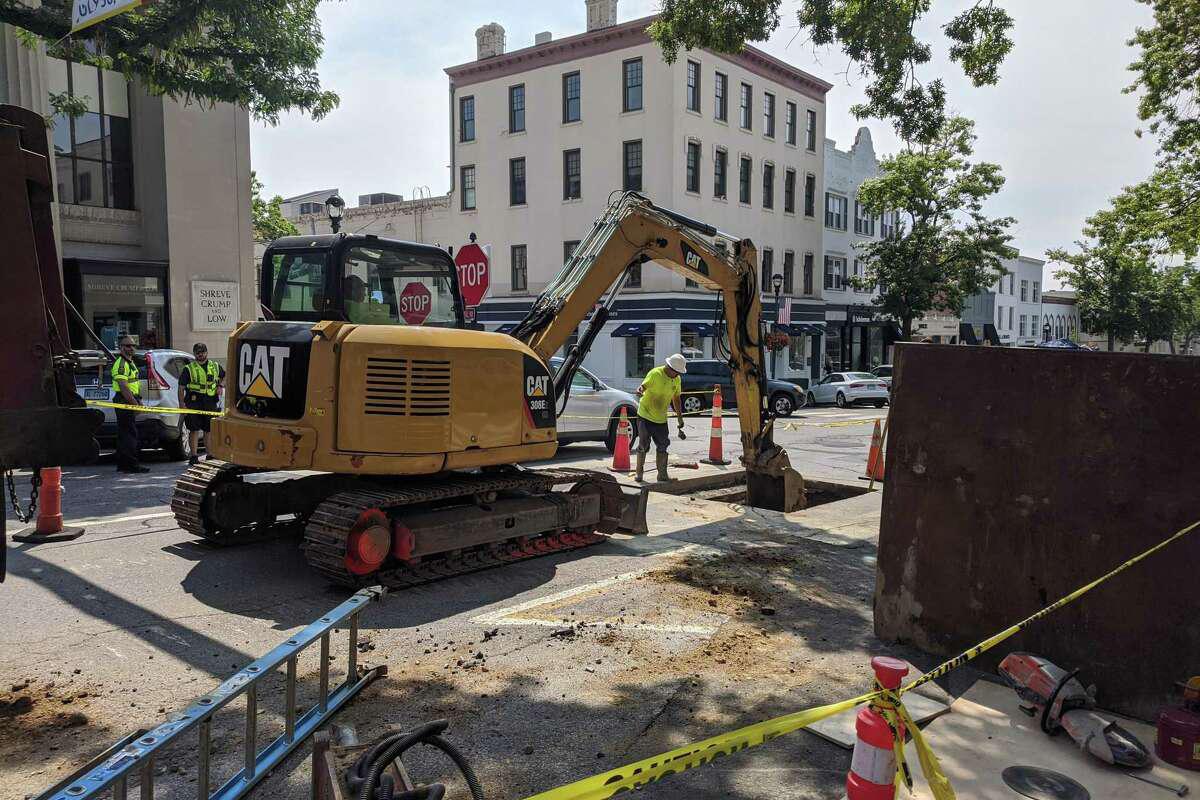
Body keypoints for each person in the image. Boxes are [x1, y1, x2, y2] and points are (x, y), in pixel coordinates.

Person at [634, 353, 687, 483]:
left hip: (661, 418)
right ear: (670, 368)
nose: (678, 375)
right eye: (677, 372)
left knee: (663, 444)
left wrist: (680, 418)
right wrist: (640, 390)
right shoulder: (655, 374)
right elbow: (643, 386)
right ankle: (639, 473)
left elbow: (676, 399)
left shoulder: (677, 379)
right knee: (643, 444)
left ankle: (662, 475)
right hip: (645, 415)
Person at [178, 342, 225, 466]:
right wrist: (182, 404)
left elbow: (223, 375)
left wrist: (220, 385)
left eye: (202, 352)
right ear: (194, 354)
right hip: (193, 401)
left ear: (207, 352)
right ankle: (194, 456)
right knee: (193, 429)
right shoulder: (189, 368)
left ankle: (209, 454)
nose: (200, 355)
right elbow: (181, 387)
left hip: (209, 401)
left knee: (208, 429)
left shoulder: (215, 366)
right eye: (198, 353)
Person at [111, 336, 149, 473]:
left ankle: (123, 465)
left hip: (129, 399)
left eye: (133, 345)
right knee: (129, 434)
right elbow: (124, 387)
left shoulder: (130, 363)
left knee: (124, 433)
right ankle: (131, 465)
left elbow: (133, 385)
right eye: (128, 346)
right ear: (121, 347)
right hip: (124, 400)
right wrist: (135, 404)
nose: (131, 348)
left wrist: (139, 400)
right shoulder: (121, 363)